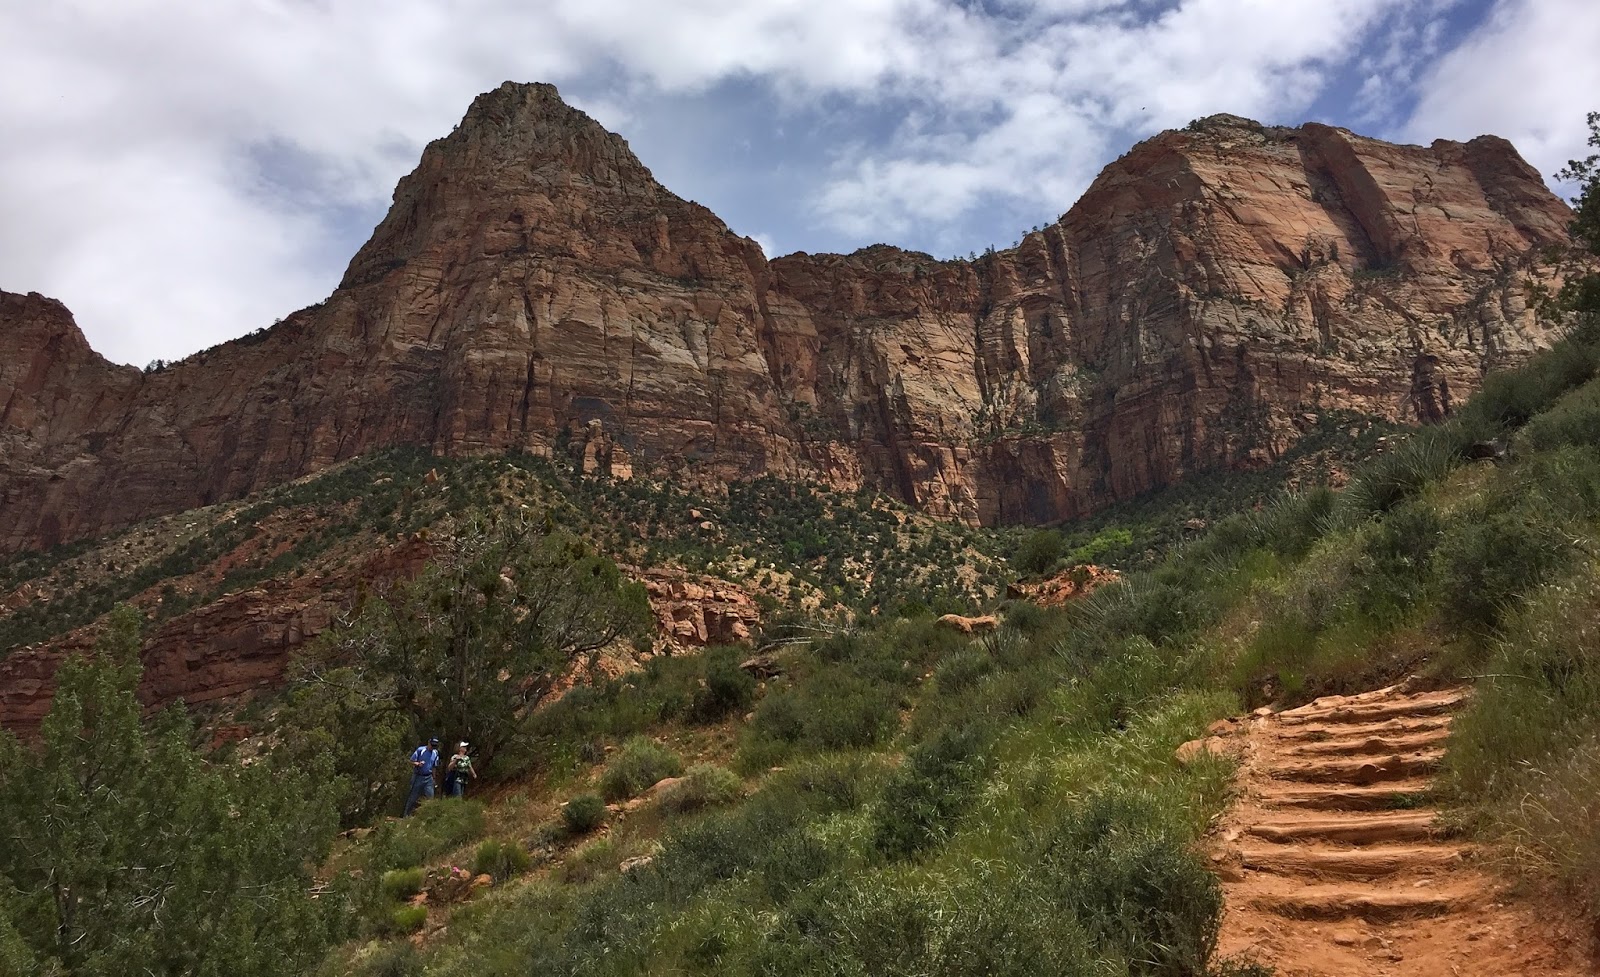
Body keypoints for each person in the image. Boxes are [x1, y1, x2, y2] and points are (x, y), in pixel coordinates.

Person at [403, 736, 441, 817]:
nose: (432, 747)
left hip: (429, 777)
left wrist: (434, 778)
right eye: (432, 745)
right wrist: (417, 763)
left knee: (430, 797)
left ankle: (429, 816)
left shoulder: (435, 753)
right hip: (419, 776)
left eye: (434, 746)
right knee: (413, 797)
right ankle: (406, 815)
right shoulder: (421, 750)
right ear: (428, 742)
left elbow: (434, 766)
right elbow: (411, 760)